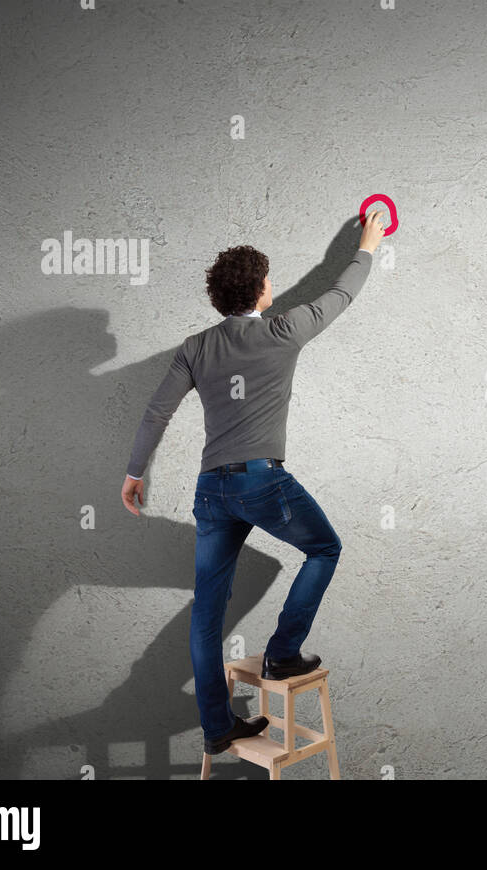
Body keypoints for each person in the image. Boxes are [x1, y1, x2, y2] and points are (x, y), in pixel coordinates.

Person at [120, 212, 387, 755]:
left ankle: (217, 729)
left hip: (211, 491)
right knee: (325, 548)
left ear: (220, 297)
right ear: (263, 290)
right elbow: (342, 293)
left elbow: (155, 414)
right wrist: (368, 245)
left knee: (206, 613)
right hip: (261, 484)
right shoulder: (284, 329)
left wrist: (133, 473)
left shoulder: (195, 347)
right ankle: (283, 652)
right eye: (269, 281)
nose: (272, 288)